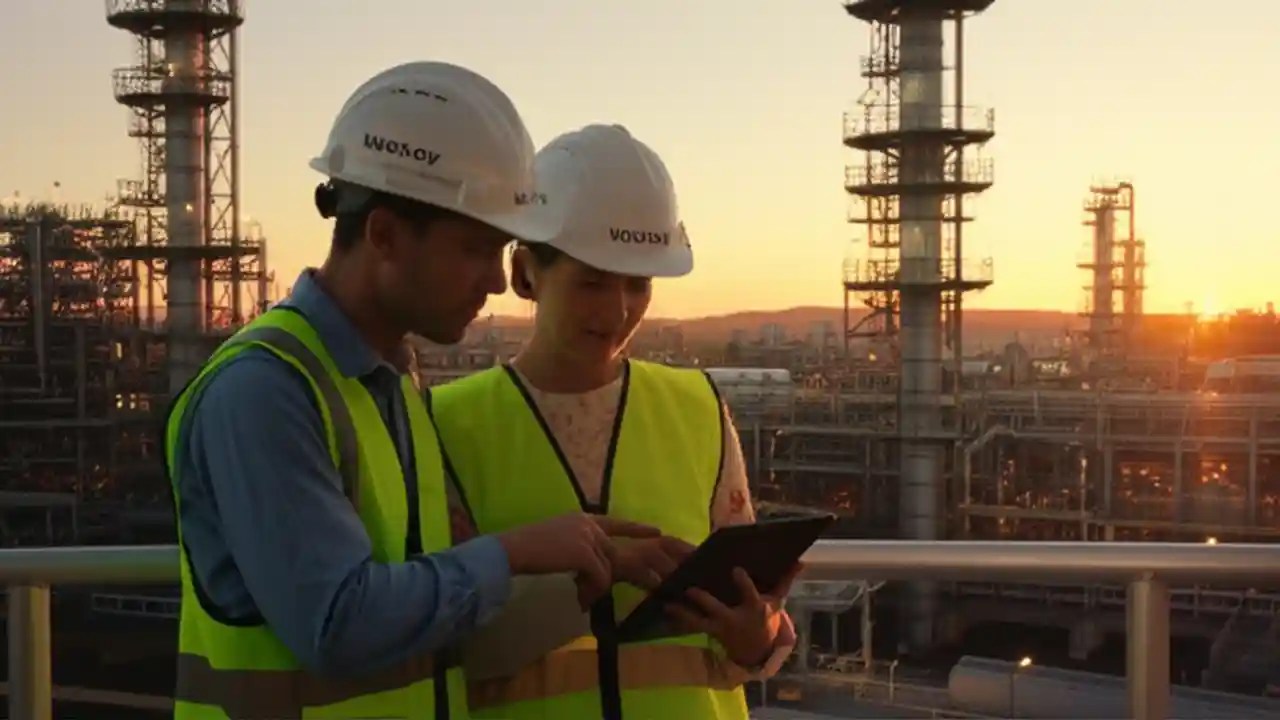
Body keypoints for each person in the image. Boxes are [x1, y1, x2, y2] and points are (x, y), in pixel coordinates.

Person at [162, 64, 660, 720]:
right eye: (476, 250)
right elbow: (337, 624)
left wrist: (588, 569)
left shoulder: (390, 386)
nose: (494, 280)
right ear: (385, 235)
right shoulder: (263, 391)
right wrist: (512, 552)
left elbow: (426, 611)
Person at [429, 124, 799, 720]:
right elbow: (442, 640)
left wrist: (758, 637)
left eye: (637, 284)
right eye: (592, 281)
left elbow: (746, 637)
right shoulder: (446, 425)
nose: (618, 310)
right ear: (526, 273)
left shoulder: (699, 409)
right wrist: (589, 582)